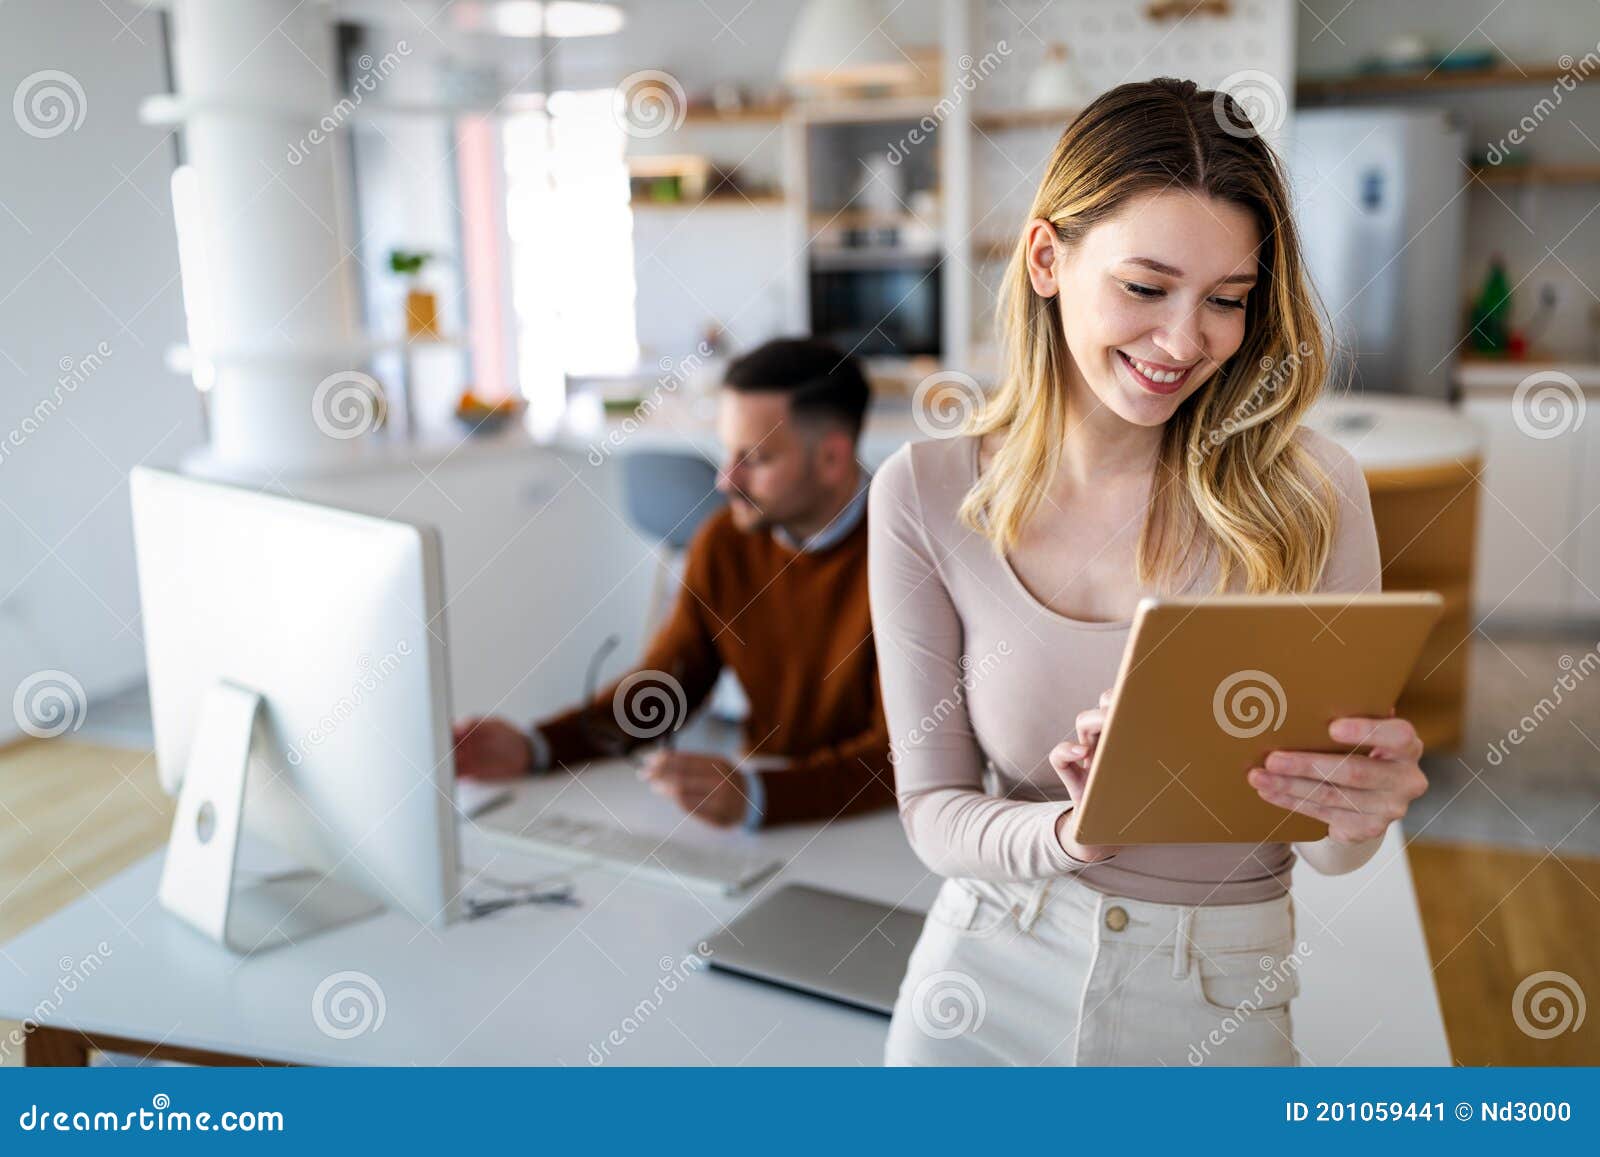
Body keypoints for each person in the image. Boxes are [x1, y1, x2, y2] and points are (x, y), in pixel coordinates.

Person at [869, 78, 1429, 1066]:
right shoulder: (922, 491)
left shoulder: (1311, 495)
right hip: (983, 973)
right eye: (1144, 287)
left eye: (1226, 301)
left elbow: (1329, 844)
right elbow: (933, 809)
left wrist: (1358, 810)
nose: (1184, 342)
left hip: (1211, 987)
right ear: (1046, 257)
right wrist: (1071, 830)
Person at [454, 337, 895, 830]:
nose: (726, 480)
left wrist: (760, 796)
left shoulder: (908, 555)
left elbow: (904, 757)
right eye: (727, 453)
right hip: (778, 818)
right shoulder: (726, 541)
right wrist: (537, 747)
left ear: (832, 460)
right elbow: (667, 687)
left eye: (757, 459)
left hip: (880, 825)